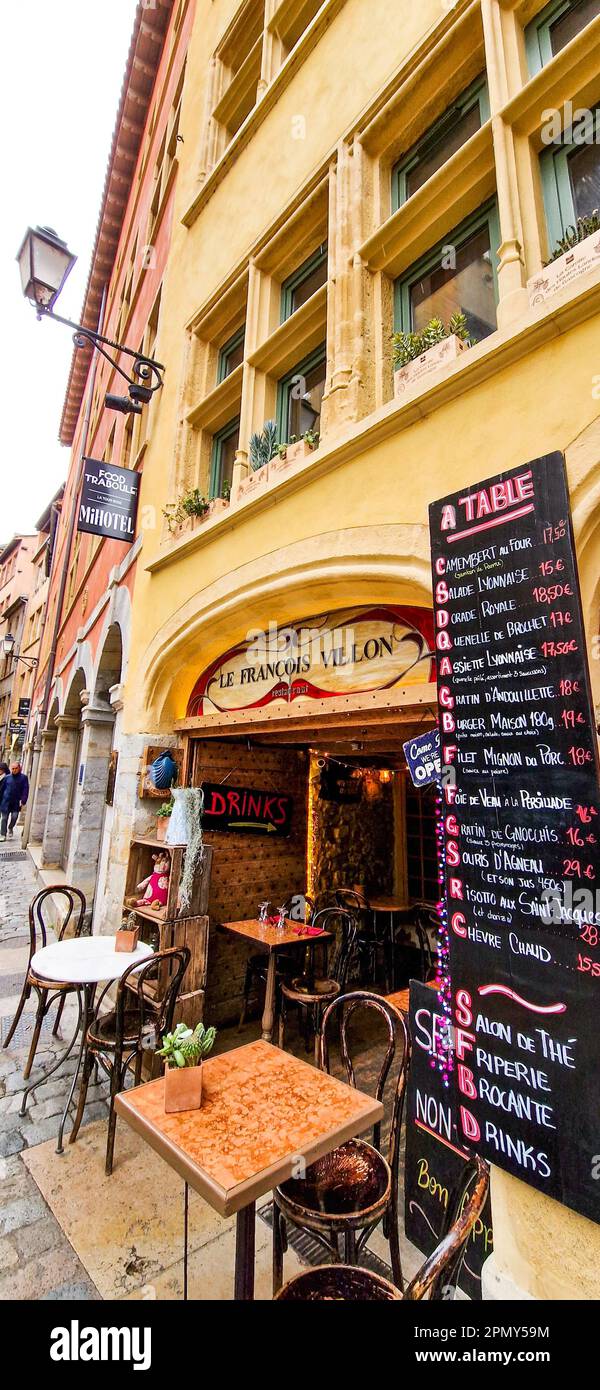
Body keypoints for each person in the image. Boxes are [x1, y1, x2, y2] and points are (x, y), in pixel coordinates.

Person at [0, 761, 29, 841]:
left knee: (14, 817)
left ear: (19, 768)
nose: (14, 770)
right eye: (13, 769)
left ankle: (10, 827)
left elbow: (25, 790)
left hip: (16, 802)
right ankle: (3, 834)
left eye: (16, 768)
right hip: (5, 802)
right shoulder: (6, 778)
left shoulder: (24, 778)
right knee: (4, 818)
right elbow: (1, 790)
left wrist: (23, 800)